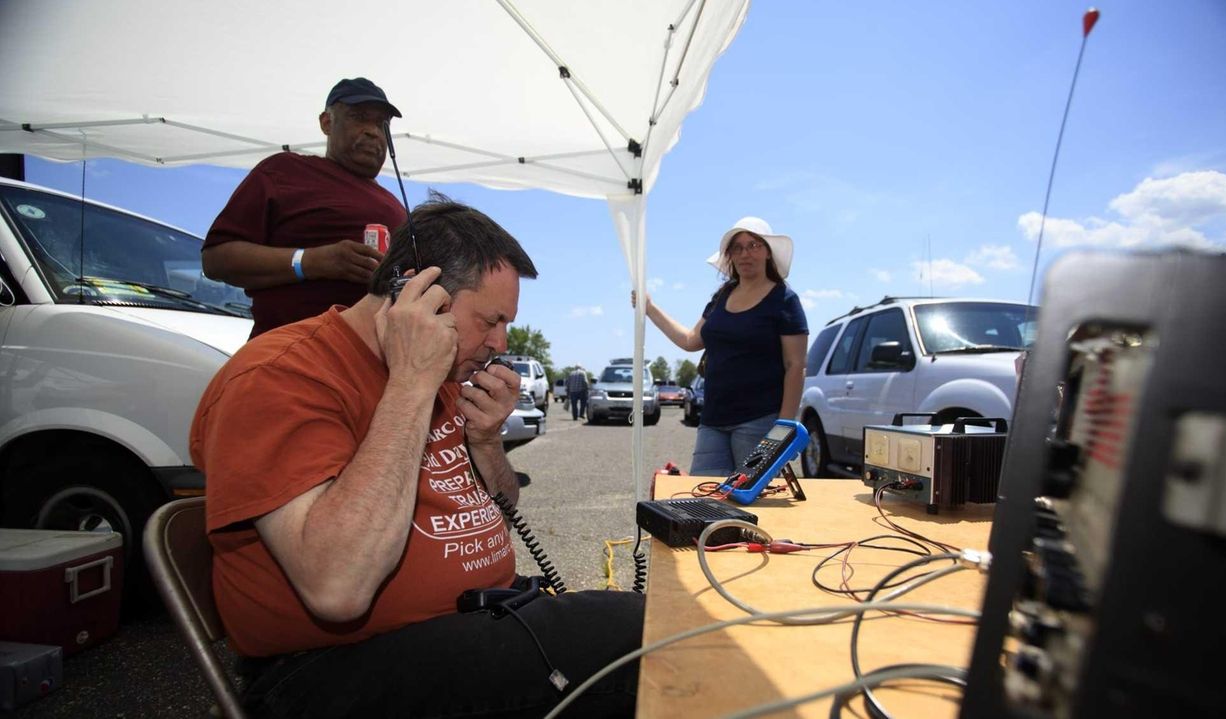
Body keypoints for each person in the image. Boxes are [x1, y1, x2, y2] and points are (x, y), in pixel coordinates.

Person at [191, 194, 644, 718]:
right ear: (415, 291)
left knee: (644, 631)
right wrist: (409, 386)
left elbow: (503, 506)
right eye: (490, 320)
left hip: (476, 620)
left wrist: (486, 442)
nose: (501, 342)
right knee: (636, 640)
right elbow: (337, 588)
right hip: (331, 669)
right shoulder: (279, 376)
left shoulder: (447, 376)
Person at [202, 77, 407, 337]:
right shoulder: (285, 171)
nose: (373, 131)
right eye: (359, 117)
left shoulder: (396, 205)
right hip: (292, 356)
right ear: (327, 122)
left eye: (382, 124)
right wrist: (312, 261)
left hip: (373, 365)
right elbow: (216, 260)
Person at [636, 217, 808, 476]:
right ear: (729, 256)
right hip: (713, 420)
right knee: (705, 501)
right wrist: (649, 308)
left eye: (753, 245)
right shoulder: (721, 297)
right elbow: (690, 340)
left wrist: (784, 426)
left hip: (760, 421)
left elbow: (795, 366)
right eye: (737, 248)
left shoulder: (784, 300)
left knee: (752, 504)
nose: (745, 253)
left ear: (768, 253)